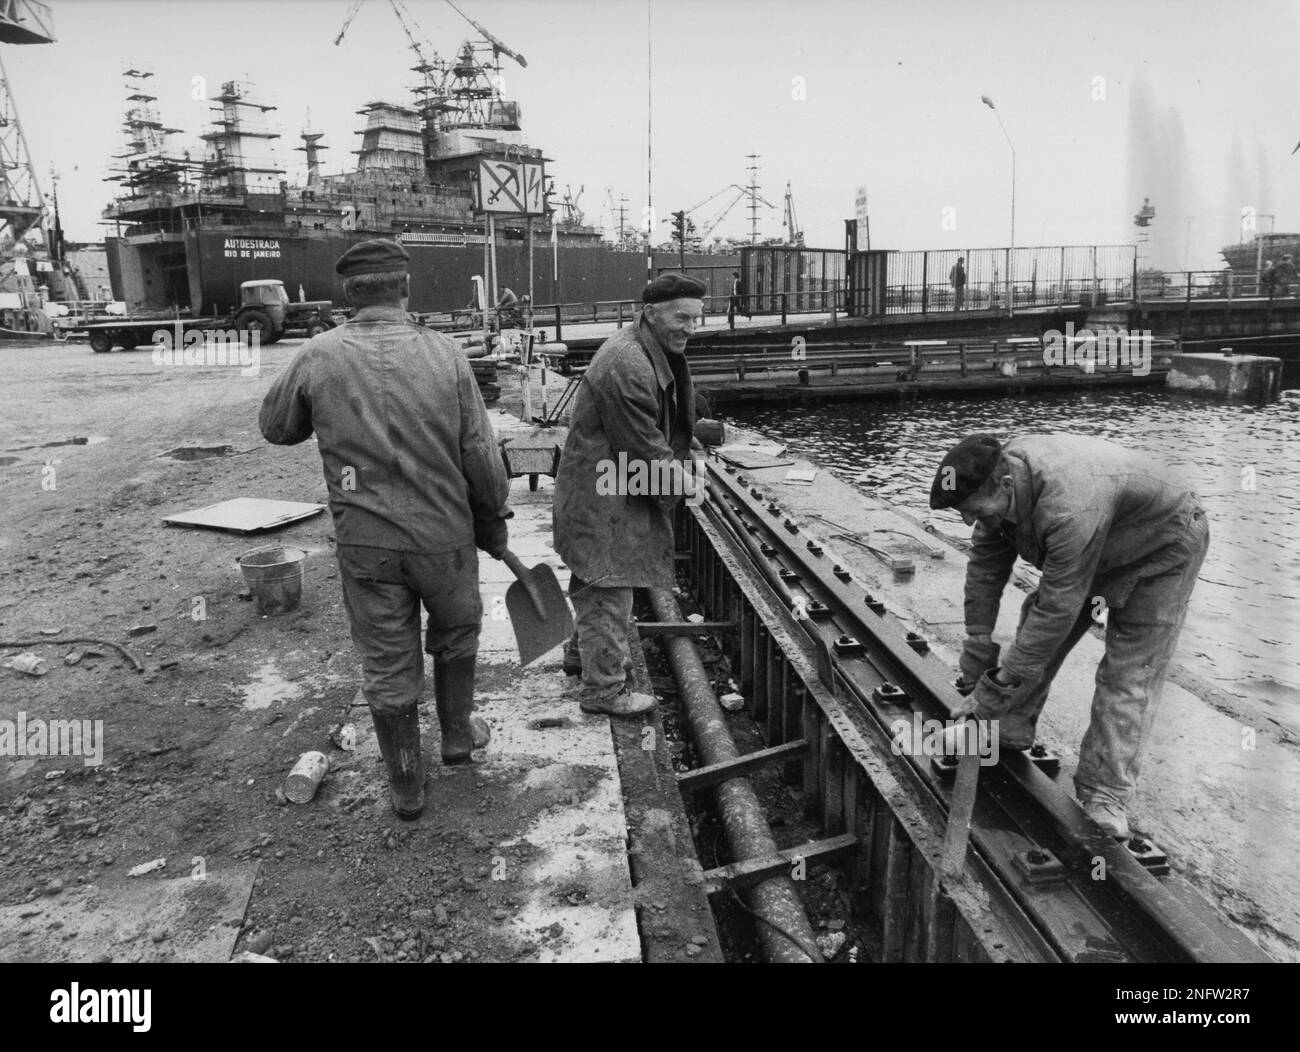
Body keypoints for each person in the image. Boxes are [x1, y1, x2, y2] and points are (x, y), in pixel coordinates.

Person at [259, 238, 512, 819]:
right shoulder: (446, 353)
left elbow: (277, 428)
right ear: (405, 288)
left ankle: (405, 784)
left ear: (349, 293)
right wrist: (492, 522)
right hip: (444, 538)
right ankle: (455, 738)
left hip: (367, 544)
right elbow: (479, 452)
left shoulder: (318, 353)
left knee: (386, 661)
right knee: (457, 634)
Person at [929, 433, 1209, 839]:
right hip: (1100, 535)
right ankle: (1007, 730)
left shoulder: (1067, 507)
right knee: (1034, 623)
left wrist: (991, 694)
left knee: (1129, 671)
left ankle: (1105, 794)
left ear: (1006, 487)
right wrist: (976, 641)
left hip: (1163, 542)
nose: (969, 522)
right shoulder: (998, 478)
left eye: (975, 513)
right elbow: (986, 568)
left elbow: (1057, 611)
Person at [553, 273, 706, 716]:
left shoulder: (652, 346)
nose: (691, 328)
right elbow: (644, 450)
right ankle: (603, 692)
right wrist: (691, 486)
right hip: (604, 491)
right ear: (652, 313)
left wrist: (687, 450)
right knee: (610, 583)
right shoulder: (629, 363)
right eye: (682, 317)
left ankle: (579, 655)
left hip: (608, 482)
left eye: (697, 319)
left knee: (594, 576)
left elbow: (666, 423)